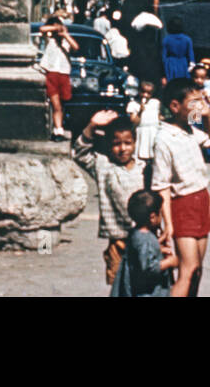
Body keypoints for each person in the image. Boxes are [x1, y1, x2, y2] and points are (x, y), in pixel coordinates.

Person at [151, 77, 210, 297]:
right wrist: (168, 223)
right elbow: (162, 185)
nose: (199, 107)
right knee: (189, 269)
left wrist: (209, 116)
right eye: (193, 103)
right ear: (175, 106)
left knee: (198, 271)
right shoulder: (164, 138)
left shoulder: (190, 129)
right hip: (183, 204)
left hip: (201, 199)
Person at [74, 110, 147, 287]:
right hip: (118, 241)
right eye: (116, 144)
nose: (122, 149)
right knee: (119, 286)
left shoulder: (144, 168)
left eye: (128, 143)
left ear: (135, 143)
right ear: (108, 144)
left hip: (144, 238)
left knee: (143, 284)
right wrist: (92, 125)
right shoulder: (103, 166)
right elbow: (79, 153)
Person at [110, 190, 179, 297]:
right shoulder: (146, 239)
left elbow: (139, 255)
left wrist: (158, 249)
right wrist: (170, 262)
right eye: (160, 213)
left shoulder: (135, 233)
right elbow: (148, 268)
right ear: (152, 217)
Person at [37, 15, 78, 139]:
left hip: (64, 73)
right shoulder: (49, 40)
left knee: (63, 103)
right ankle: (58, 130)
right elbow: (42, 29)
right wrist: (55, 28)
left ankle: (59, 127)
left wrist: (65, 34)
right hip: (52, 73)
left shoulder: (66, 42)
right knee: (56, 104)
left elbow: (76, 47)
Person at [128, 81, 161, 182]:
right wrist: (140, 111)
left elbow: (158, 117)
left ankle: (153, 178)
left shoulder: (155, 103)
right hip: (142, 132)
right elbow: (134, 121)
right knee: (140, 156)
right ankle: (139, 178)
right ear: (138, 91)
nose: (145, 95)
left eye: (148, 93)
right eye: (143, 92)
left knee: (154, 156)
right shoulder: (133, 104)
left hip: (153, 132)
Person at [191, 61, 210, 158]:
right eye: (196, 77)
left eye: (202, 78)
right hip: (193, 117)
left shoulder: (208, 91)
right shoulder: (189, 91)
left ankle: (209, 154)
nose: (199, 80)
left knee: (207, 135)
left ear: (206, 79)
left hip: (205, 118)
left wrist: (207, 98)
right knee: (193, 136)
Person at [161, 16, 194, 85]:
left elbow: (163, 57)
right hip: (183, 63)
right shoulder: (187, 39)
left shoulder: (166, 39)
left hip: (170, 64)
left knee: (172, 84)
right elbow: (191, 55)